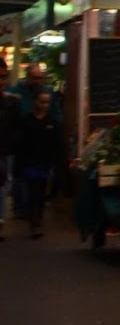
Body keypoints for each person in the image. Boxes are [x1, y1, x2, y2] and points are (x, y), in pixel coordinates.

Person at [14, 89, 65, 239]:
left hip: (45, 163)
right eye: (42, 102)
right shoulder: (26, 121)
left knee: (41, 191)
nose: (45, 105)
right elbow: (20, 143)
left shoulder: (52, 122)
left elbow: (58, 144)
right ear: (35, 102)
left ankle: (37, 221)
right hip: (30, 163)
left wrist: (58, 163)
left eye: (47, 102)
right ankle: (35, 224)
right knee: (33, 191)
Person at [0, 85, 20, 236]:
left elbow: (16, 125)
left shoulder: (11, 101)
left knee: (6, 183)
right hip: (6, 149)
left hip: (7, 149)